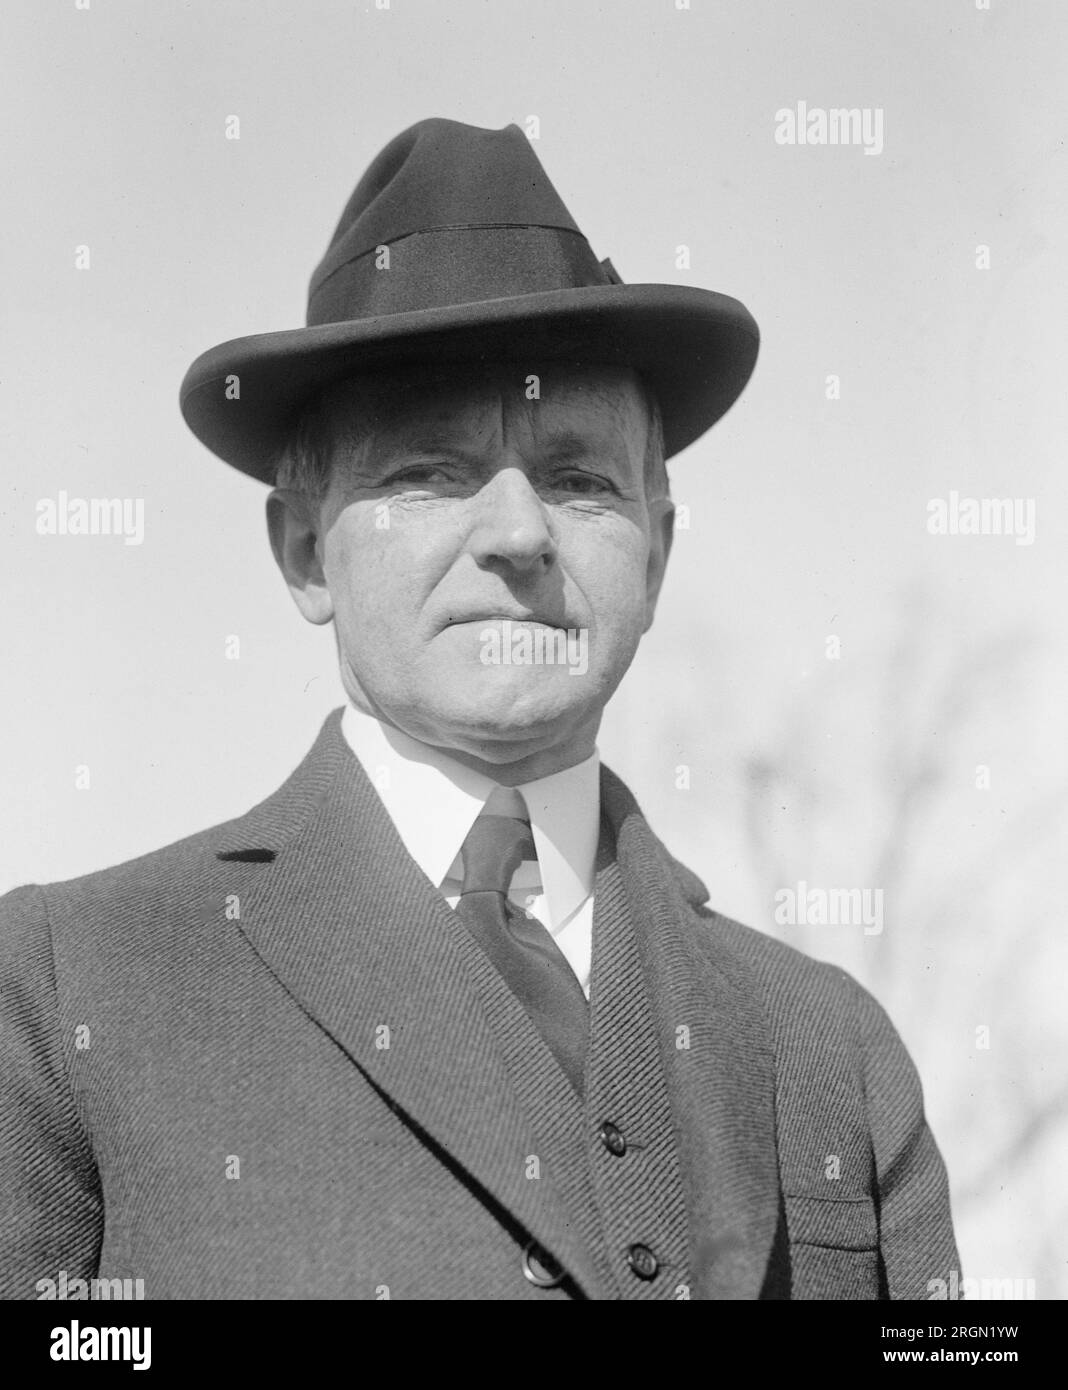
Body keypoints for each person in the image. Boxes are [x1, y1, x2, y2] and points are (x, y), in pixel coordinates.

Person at [0, 118, 958, 1300]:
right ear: (306, 550)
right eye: (430, 473)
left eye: (577, 478)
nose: (515, 535)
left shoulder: (830, 1047)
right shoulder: (67, 989)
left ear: (654, 555)